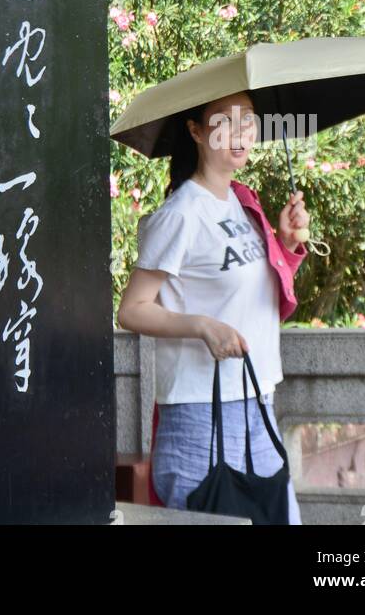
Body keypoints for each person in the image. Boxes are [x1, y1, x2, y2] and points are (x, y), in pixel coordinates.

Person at [116, 90, 310, 524]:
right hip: (198, 413)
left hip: (257, 400)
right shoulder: (182, 213)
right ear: (197, 131)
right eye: (225, 122)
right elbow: (131, 310)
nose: (240, 132)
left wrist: (287, 245)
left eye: (249, 121)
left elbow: (253, 299)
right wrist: (204, 326)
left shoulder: (242, 204)